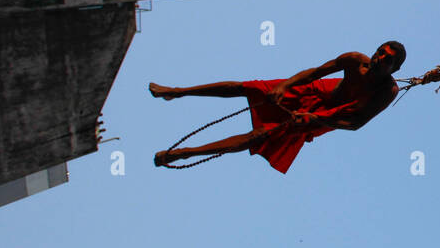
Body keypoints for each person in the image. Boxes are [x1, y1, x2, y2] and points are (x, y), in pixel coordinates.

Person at [150, 43, 406, 173]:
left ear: (395, 69)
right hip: (318, 90)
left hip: (325, 117)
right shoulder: (354, 60)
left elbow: (356, 123)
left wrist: (315, 119)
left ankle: (184, 153)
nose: (380, 58)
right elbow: (315, 72)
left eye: (388, 59)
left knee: (258, 137)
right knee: (249, 87)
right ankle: (176, 92)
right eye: (380, 52)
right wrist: (285, 86)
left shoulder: (387, 92)